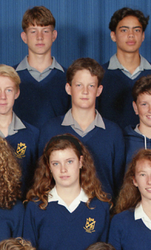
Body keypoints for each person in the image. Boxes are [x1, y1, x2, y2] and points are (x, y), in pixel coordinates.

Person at [22, 135, 112, 250]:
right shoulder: (36, 207)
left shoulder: (100, 207)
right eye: (56, 163)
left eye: (69, 162)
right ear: (48, 167)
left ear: (81, 162)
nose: (63, 170)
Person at [38, 58, 126, 195]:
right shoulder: (50, 130)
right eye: (79, 85)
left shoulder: (114, 133)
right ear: (68, 88)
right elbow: (42, 178)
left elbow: (119, 184)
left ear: (99, 90)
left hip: (103, 212)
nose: (85, 91)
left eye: (91, 86)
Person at [98, 7, 151, 131]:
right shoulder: (100, 75)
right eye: (124, 30)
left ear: (143, 36)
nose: (131, 35)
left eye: (136, 30)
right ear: (113, 35)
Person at [14, 6, 68, 127]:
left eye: (45, 31)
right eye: (33, 31)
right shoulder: (9, 77)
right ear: (24, 37)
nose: (40, 37)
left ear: (54, 35)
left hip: (58, 144)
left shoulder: (69, 77)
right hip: (18, 145)